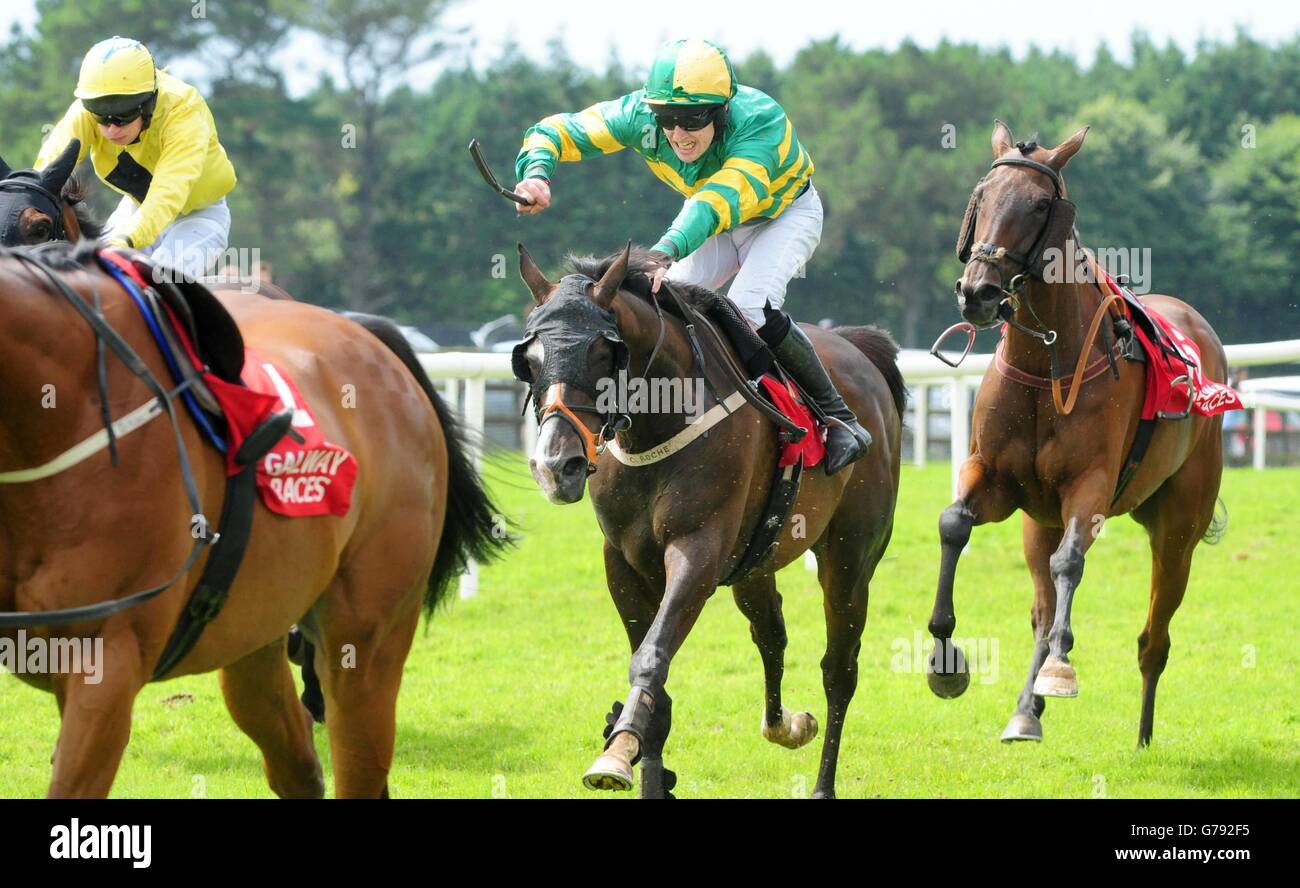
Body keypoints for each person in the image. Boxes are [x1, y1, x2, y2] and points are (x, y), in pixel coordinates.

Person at [512, 37, 871, 473]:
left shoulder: (760, 122)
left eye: (692, 119)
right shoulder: (637, 114)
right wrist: (536, 176)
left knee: (749, 307)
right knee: (666, 307)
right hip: (710, 218)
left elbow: (717, 200)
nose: (678, 134)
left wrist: (665, 250)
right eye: (666, 119)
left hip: (782, 215)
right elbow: (557, 131)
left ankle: (839, 419)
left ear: (721, 111)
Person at [35, 36, 237, 280]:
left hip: (198, 215)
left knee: (159, 281)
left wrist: (126, 239)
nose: (111, 128)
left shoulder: (184, 111)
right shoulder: (89, 109)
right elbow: (47, 170)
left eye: (124, 115)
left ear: (149, 101)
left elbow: (167, 192)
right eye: (101, 116)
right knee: (97, 281)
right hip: (135, 207)